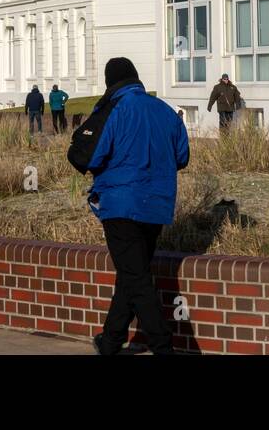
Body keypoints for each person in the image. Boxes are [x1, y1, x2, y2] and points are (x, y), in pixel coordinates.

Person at [68, 57, 189, 356]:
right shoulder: (165, 110)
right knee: (131, 274)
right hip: (156, 206)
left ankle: (163, 348)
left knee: (135, 278)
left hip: (121, 205)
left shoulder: (113, 108)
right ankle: (110, 342)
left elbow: (86, 156)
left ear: (111, 82)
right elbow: (182, 157)